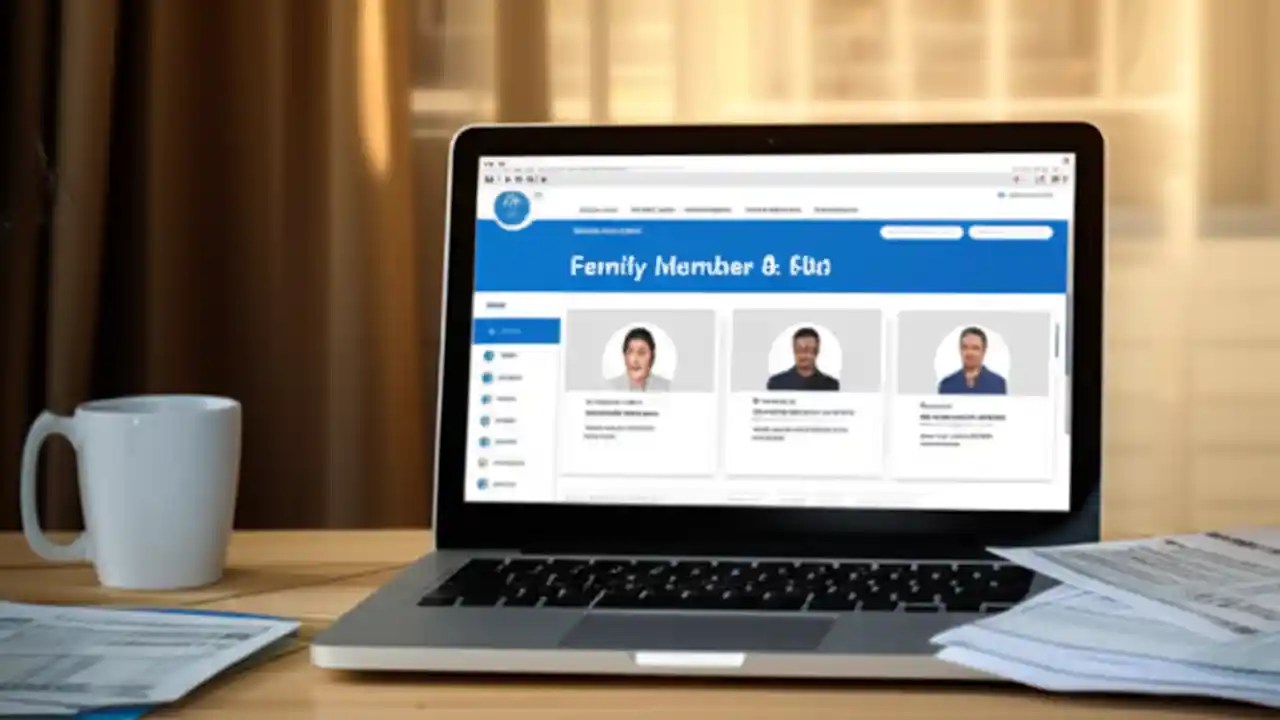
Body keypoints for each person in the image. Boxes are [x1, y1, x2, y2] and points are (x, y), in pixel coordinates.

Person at [938, 326, 1007, 395]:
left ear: (984, 351)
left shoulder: (997, 384)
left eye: (975, 348)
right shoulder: (946, 385)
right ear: (960, 350)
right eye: (965, 347)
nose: (969, 353)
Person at [766, 327, 840, 391]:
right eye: (799, 349)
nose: (803, 355)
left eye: (808, 350)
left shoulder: (831, 386)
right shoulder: (776, 384)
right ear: (793, 349)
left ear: (817, 351)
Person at [608, 326, 671, 392]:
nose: (635, 360)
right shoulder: (611, 388)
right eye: (630, 352)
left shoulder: (666, 388)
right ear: (624, 356)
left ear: (652, 357)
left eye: (641, 353)